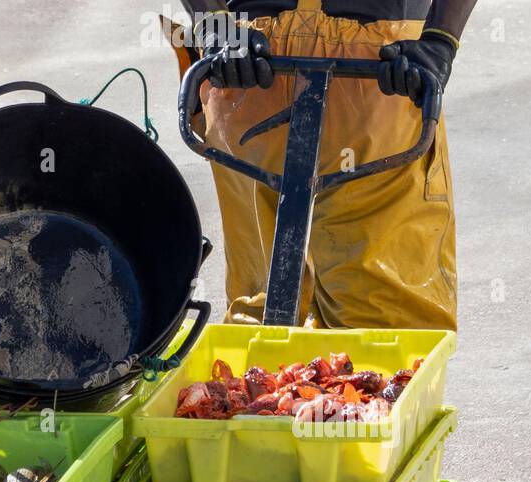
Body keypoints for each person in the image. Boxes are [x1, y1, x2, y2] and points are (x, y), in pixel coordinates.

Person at [171, 1, 477, 330]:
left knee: (264, 306)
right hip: (373, 81)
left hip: (250, 75)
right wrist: (441, 39)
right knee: (382, 323)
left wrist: (217, 25)